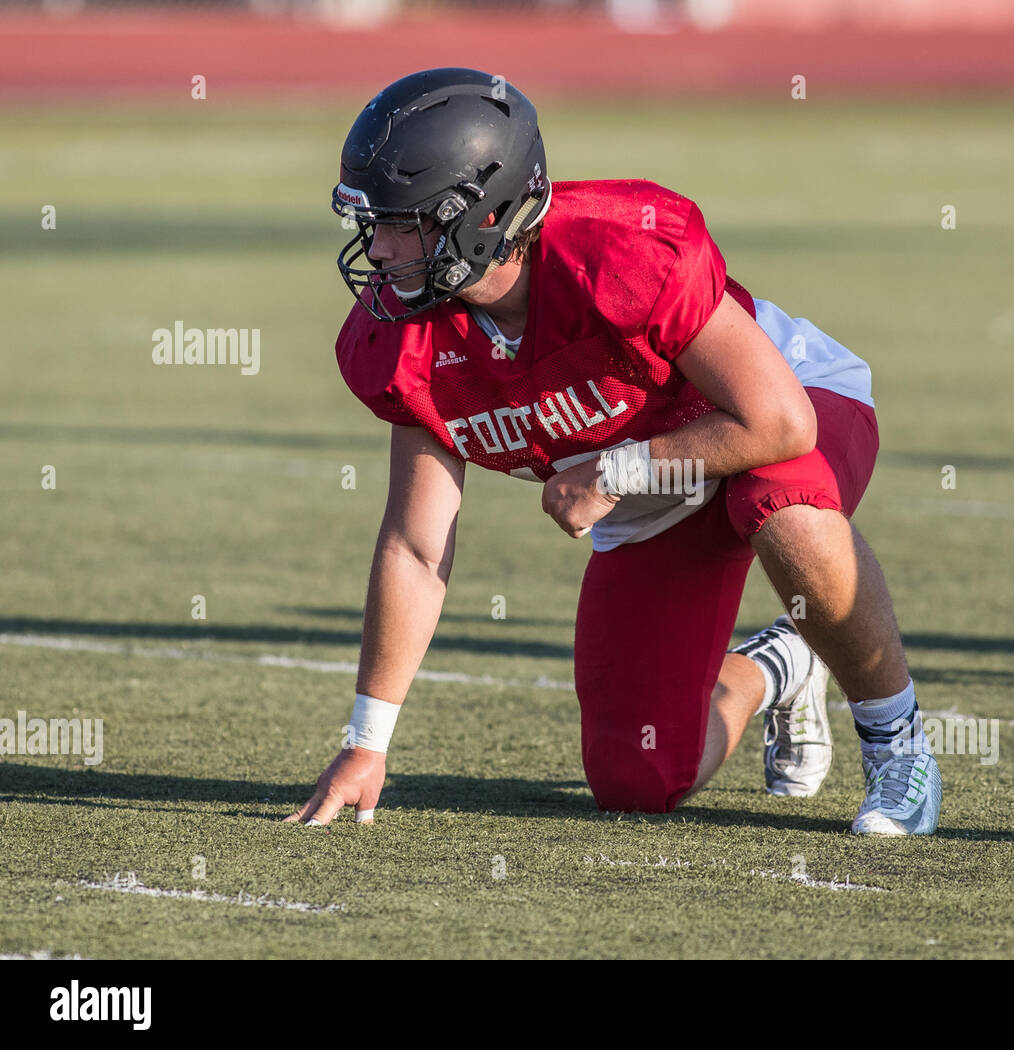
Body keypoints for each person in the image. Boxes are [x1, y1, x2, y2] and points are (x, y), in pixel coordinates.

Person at [285, 67, 941, 835]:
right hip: (657, 498)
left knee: (776, 502)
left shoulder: (619, 250)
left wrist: (617, 469)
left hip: (774, 410)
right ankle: (780, 664)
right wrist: (367, 742)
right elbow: (416, 546)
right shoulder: (404, 341)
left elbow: (779, 424)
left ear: (483, 215)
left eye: (405, 223)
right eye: (376, 223)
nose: (382, 249)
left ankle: (899, 749)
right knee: (637, 777)